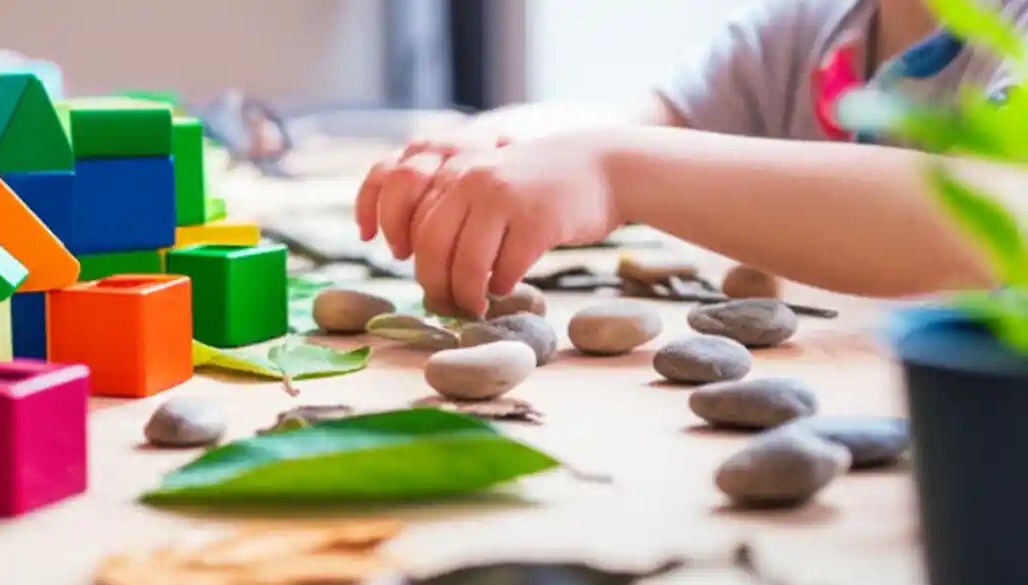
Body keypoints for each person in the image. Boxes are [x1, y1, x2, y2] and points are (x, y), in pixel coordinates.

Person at [356, 0, 1028, 319]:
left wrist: (616, 170)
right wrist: (498, 143)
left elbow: (999, 214)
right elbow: (652, 120)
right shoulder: (804, 31)